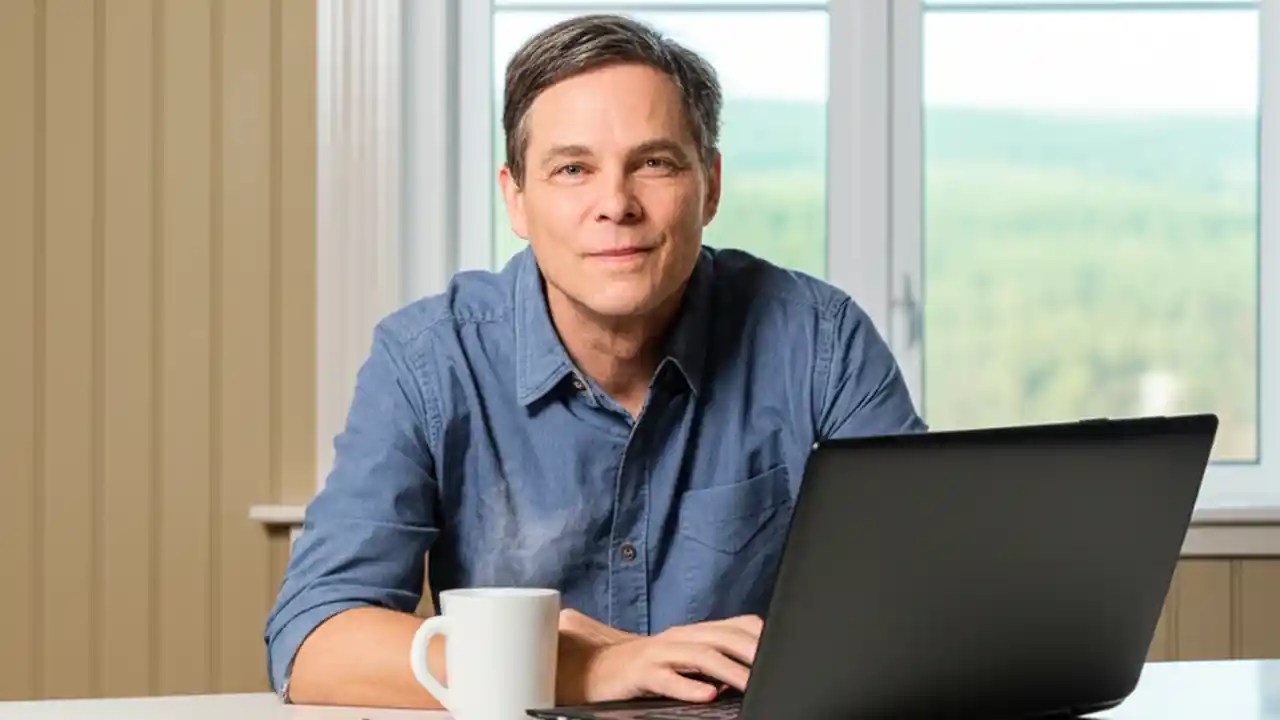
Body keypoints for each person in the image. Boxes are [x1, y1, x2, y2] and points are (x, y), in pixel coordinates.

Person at [265, 13, 925, 710]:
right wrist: (575, 669)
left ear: (711, 185)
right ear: (515, 197)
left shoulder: (821, 341)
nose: (615, 204)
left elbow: (932, 592)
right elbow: (315, 640)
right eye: (573, 169)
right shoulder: (427, 360)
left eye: (655, 163)